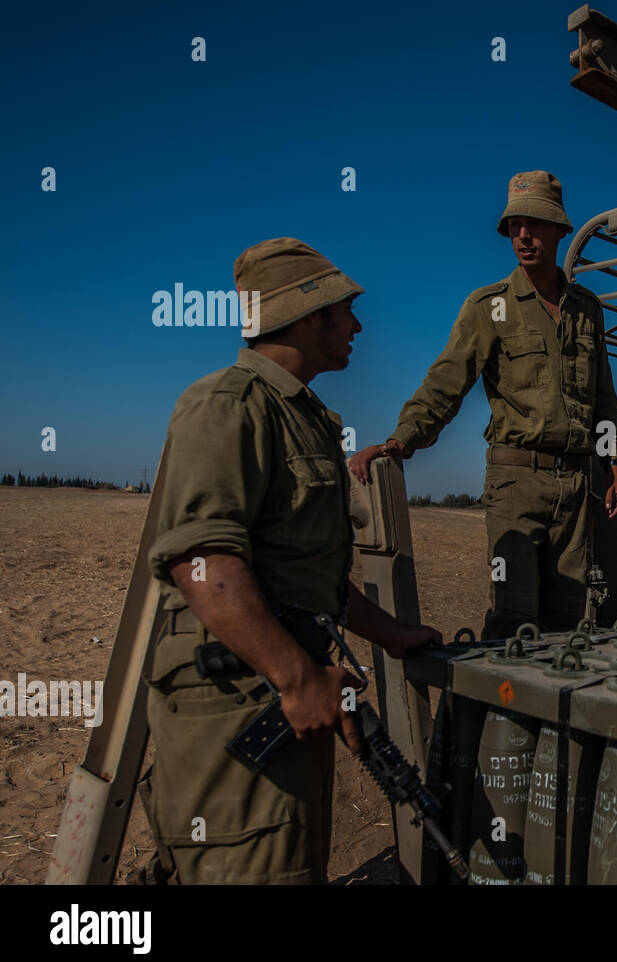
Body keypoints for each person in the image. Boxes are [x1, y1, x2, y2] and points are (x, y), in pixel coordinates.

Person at [144, 238, 441, 883]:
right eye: (346, 311)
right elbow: (200, 559)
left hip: (283, 691)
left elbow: (311, 579)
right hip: (238, 702)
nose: (358, 326)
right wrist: (296, 679)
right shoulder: (228, 404)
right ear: (310, 317)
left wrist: (389, 635)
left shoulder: (305, 416)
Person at [350, 171, 617, 638]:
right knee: (513, 615)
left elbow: (603, 395)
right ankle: (493, 712)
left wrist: (614, 465)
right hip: (515, 481)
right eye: (515, 225)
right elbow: (446, 382)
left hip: (578, 484)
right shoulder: (487, 307)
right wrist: (402, 439)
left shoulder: (587, 309)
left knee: (570, 619)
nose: (523, 235)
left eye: (535, 224)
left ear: (559, 230)